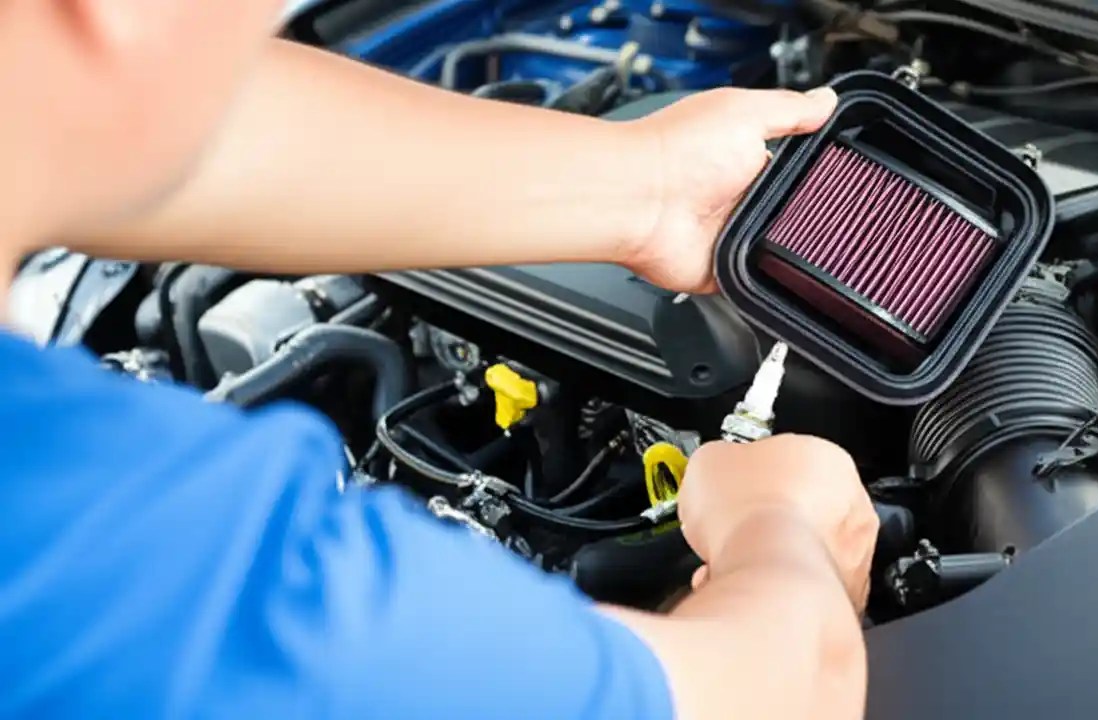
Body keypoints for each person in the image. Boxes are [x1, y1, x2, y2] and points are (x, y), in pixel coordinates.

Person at [0, 2, 880, 718]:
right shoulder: (91, 543)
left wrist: (649, 184)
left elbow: (92, 100)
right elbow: (754, 695)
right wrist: (784, 531)